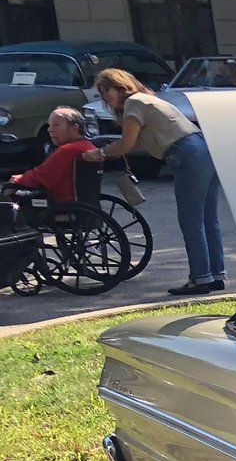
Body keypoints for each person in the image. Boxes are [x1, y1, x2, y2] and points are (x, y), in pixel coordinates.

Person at [84, 67, 225, 295]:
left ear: (120, 86)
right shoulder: (147, 99)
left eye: (106, 90)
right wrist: (114, 149)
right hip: (203, 150)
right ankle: (215, 275)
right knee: (208, 219)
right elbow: (141, 143)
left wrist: (99, 153)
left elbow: (126, 144)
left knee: (191, 221)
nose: (105, 97)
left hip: (186, 155)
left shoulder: (134, 104)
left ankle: (200, 279)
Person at [6, 106, 93, 204]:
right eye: (49, 125)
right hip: (84, 203)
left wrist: (16, 180)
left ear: (75, 128)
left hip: (60, 204)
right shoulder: (89, 147)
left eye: (55, 125)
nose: (49, 129)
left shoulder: (68, 150)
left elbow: (41, 177)